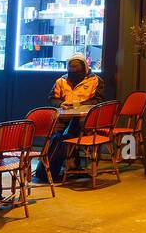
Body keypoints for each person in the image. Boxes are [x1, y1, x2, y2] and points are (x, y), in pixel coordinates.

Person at [34, 54, 101, 182]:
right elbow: (51, 99)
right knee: (57, 135)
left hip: (85, 120)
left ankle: (69, 163)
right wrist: (60, 104)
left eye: (77, 71)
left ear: (85, 69)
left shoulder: (95, 81)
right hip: (63, 118)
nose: (74, 74)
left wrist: (78, 106)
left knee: (69, 132)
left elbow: (98, 101)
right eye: (71, 71)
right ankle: (54, 167)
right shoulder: (61, 81)